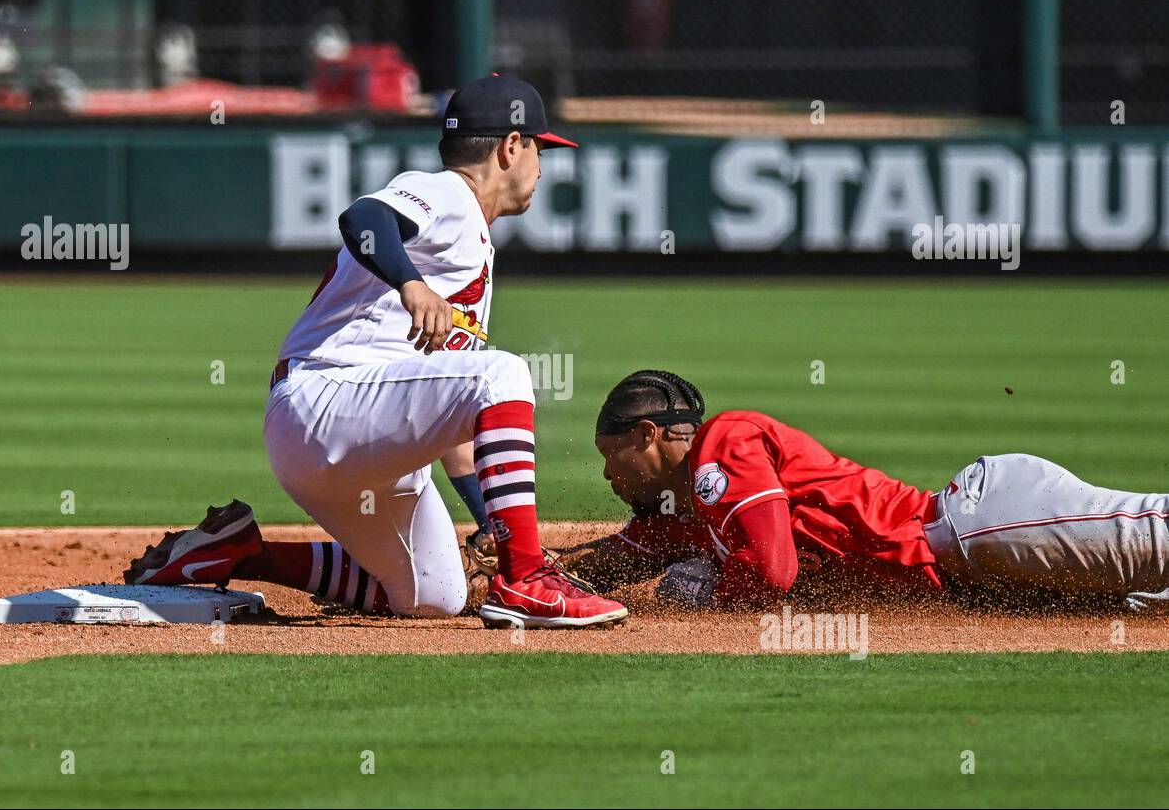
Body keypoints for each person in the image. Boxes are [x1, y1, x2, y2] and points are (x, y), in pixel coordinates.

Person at [122, 76, 628, 630]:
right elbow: (363, 219)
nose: (539, 165)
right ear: (511, 145)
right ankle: (527, 582)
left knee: (434, 595)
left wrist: (491, 524)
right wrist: (411, 284)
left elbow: (461, 431)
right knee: (503, 372)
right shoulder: (448, 195)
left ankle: (241, 552)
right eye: (538, 147)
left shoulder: (473, 245)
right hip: (325, 403)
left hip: (359, 446)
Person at [560, 369, 1169, 613]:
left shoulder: (726, 440)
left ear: (648, 435)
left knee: (1154, 534)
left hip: (971, 524)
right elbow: (616, 558)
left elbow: (772, 570)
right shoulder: (692, 513)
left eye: (610, 456)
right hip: (984, 581)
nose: (608, 475)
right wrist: (522, 562)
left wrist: (708, 594)